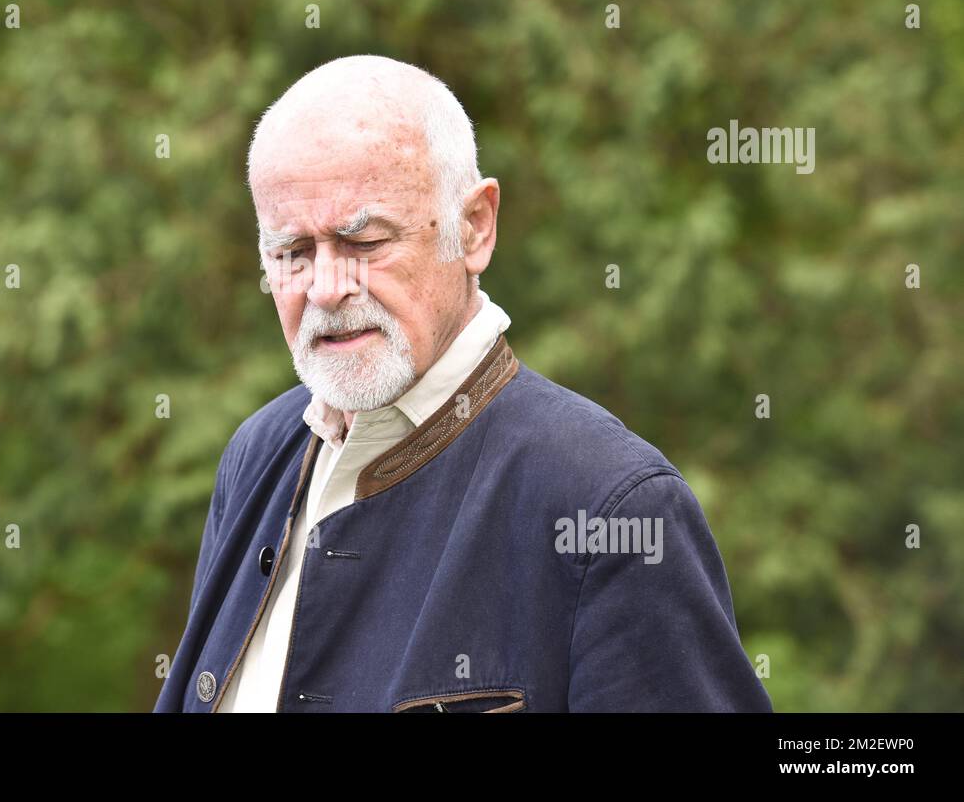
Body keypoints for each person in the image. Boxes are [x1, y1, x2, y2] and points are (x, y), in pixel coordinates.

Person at [154, 54, 772, 712]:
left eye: (365, 243)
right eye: (292, 253)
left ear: (474, 227)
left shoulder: (610, 505)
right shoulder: (257, 454)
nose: (327, 289)